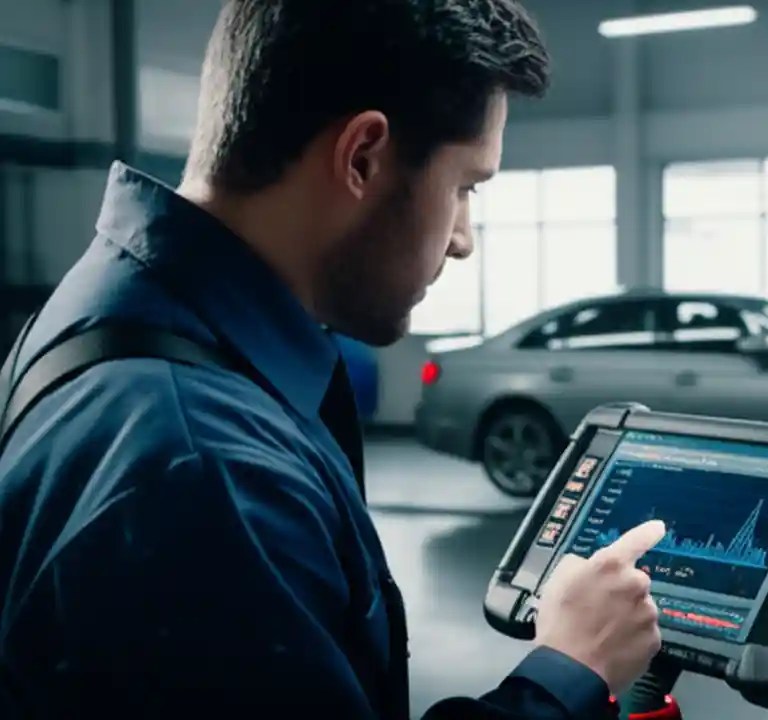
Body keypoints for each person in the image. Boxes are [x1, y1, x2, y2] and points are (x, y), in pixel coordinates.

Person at [0, 1, 664, 718]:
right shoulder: (209, 471)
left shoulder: (98, 311)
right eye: (466, 187)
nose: (463, 237)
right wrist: (570, 670)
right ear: (363, 158)